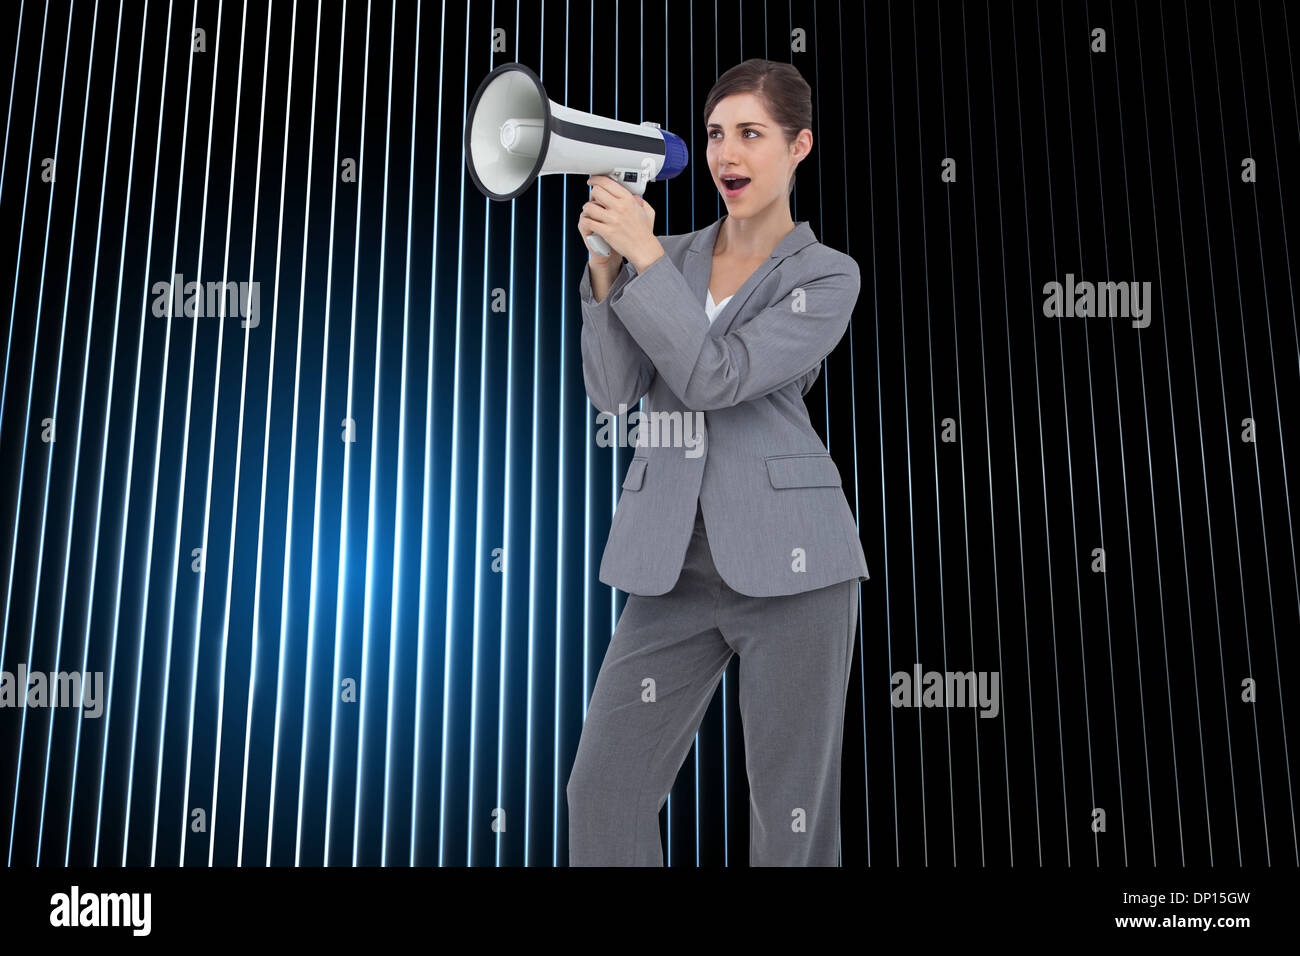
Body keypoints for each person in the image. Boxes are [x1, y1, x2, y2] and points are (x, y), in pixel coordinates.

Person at [566, 58, 869, 866]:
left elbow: (716, 377)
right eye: (713, 135)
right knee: (601, 792)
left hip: (796, 566)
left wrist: (646, 262)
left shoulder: (825, 275)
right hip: (673, 564)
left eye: (751, 134)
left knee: (790, 815)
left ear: (800, 145)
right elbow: (612, 391)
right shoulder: (666, 253)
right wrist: (605, 270)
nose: (726, 153)